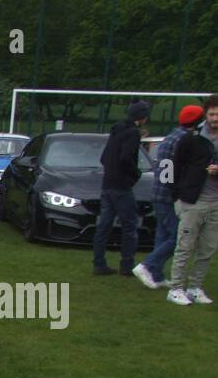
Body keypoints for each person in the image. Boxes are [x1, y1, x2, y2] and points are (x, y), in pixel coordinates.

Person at [133, 106, 197, 290]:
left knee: (163, 234)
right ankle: (148, 265)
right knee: (178, 236)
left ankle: (157, 275)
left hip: (159, 191)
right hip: (169, 194)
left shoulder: (171, 136)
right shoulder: (185, 139)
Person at [163, 96, 218, 306]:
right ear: (205, 115)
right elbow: (171, 166)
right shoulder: (190, 138)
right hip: (192, 202)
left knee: (208, 249)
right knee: (184, 247)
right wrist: (176, 196)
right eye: (212, 114)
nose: (215, 118)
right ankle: (176, 288)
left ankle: (195, 287)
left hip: (216, 203)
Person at [93, 100, 150, 276]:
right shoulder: (133, 133)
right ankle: (127, 265)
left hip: (107, 184)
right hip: (121, 187)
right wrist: (135, 173)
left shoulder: (116, 131)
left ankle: (99, 263)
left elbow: (104, 158)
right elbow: (126, 158)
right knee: (130, 226)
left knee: (104, 225)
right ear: (143, 118)